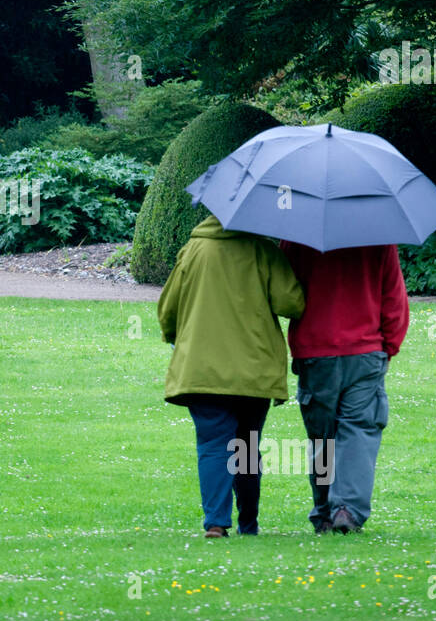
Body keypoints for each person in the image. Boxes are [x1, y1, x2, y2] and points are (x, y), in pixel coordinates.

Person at [158, 215, 305, 538]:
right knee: (247, 446)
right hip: (253, 370)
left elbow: (168, 309)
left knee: (212, 444)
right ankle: (248, 524)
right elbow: (291, 303)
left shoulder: (193, 250)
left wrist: (174, 336)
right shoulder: (263, 251)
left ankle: (215, 523)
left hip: (201, 368)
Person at [278, 239, 409, 534]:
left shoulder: (298, 233)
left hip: (315, 349)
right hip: (364, 350)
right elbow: (393, 295)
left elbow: (285, 292)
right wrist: (390, 345)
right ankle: (347, 509)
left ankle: (324, 511)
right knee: (358, 430)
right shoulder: (378, 235)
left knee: (322, 437)